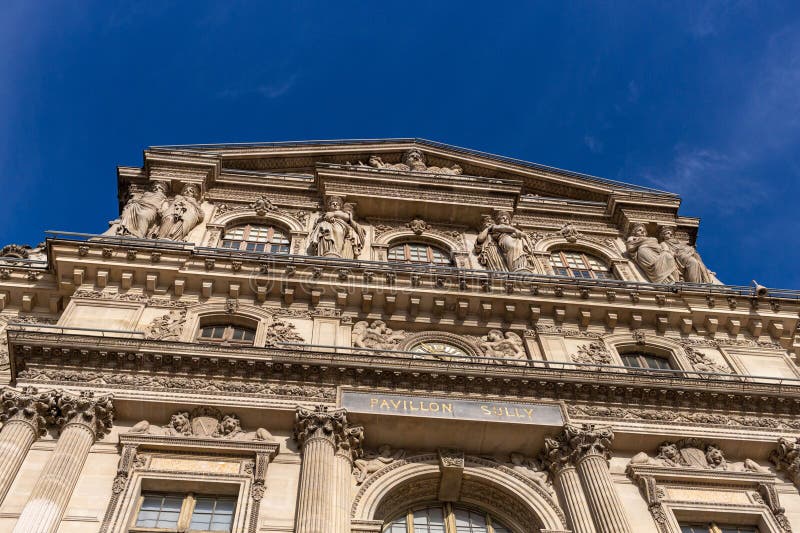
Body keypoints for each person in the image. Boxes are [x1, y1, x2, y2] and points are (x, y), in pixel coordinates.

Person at [104, 181, 169, 238]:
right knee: (130, 209)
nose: (157, 188)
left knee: (143, 216)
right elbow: (137, 199)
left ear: (164, 190)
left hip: (151, 209)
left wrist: (163, 211)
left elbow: (165, 208)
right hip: (138, 205)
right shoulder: (146, 193)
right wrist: (133, 201)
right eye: (155, 186)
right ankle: (127, 232)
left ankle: (138, 235)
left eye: (160, 187)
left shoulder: (164, 198)